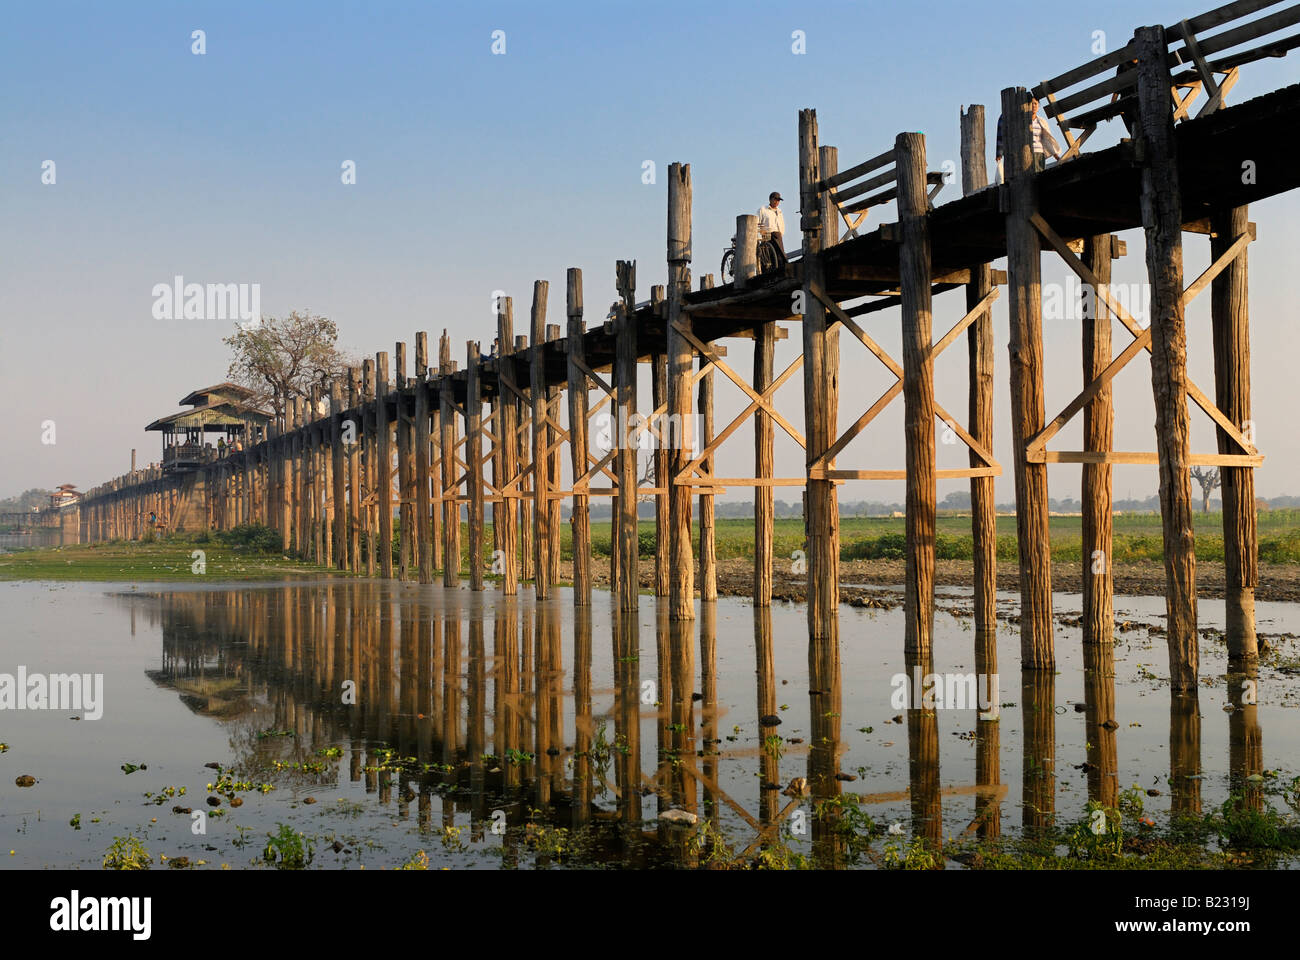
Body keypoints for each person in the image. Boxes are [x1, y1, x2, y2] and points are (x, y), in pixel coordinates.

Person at [995, 97, 1062, 182]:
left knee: (1039, 180)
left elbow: (1047, 140)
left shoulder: (1041, 121)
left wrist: (1056, 155)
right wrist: (999, 152)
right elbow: (1005, 128)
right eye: (1031, 104)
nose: (1033, 106)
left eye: (1036, 104)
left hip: (1039, 155)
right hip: (1025, 154)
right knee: (1027, 180)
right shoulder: (1022, 121)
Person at [756, 191, 788, 269]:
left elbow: (782, 224)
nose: (777, 202)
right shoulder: (763, 210)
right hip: (767, 234)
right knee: (768, 255)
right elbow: (756, 223)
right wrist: (761, 232)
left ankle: (781, 267)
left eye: (778, 200)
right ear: (770, 200)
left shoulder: (779, 211)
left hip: (778, 235)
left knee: (779, 255)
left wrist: (781, 233)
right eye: (775, 199)